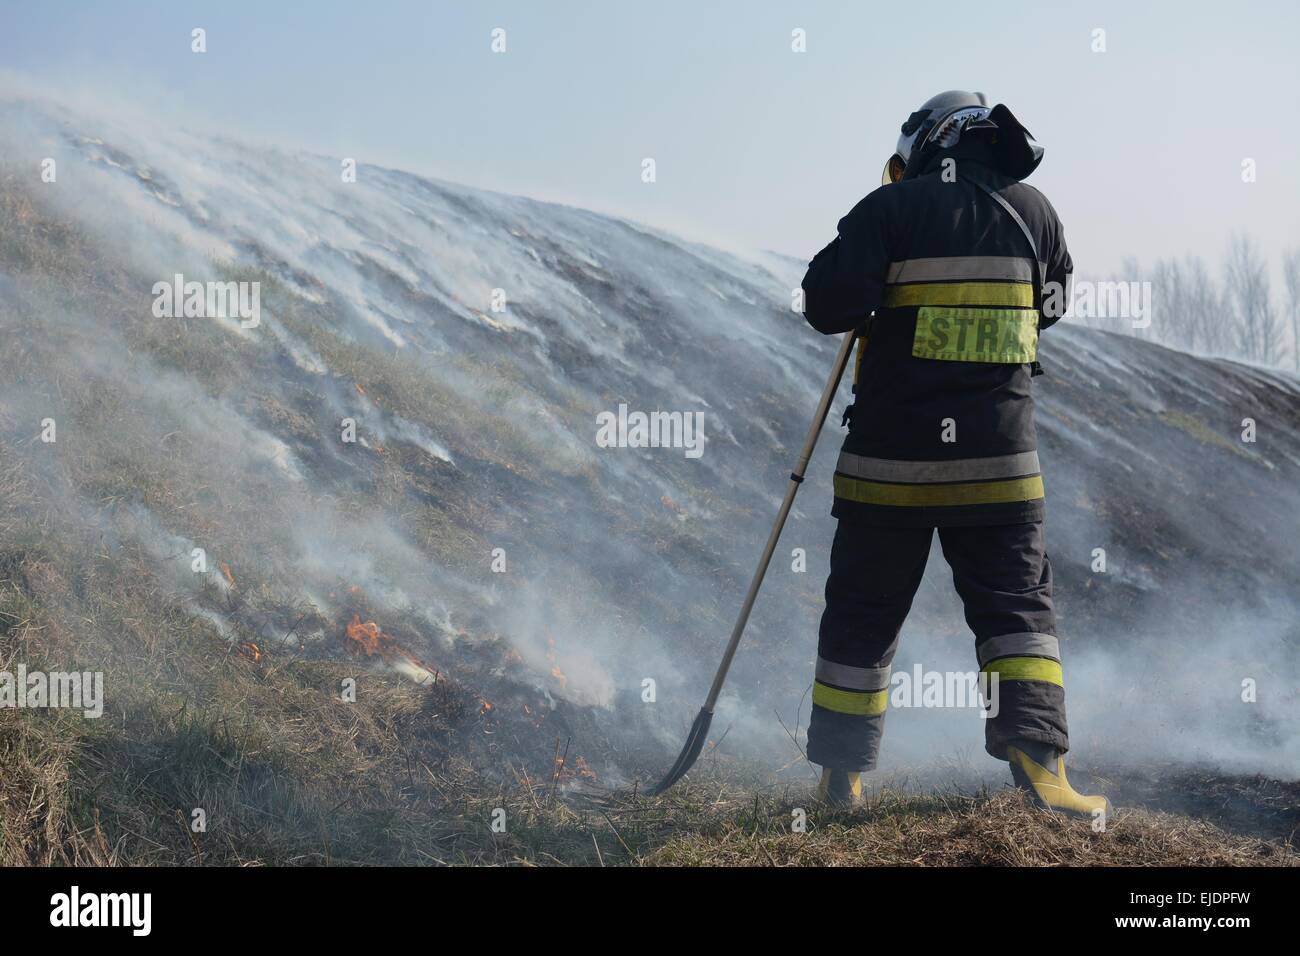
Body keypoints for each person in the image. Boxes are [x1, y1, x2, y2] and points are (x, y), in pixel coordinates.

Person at [800, 90, 1109, 819]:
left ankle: (841, 781)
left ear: (927, 142)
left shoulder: (892, 210)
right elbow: (1052, 308)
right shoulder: (1039, 214)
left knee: (862, 617)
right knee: (1016, 612)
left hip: (889, 471)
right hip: (1000, 472)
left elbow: (824, 303)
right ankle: (1043, 770)